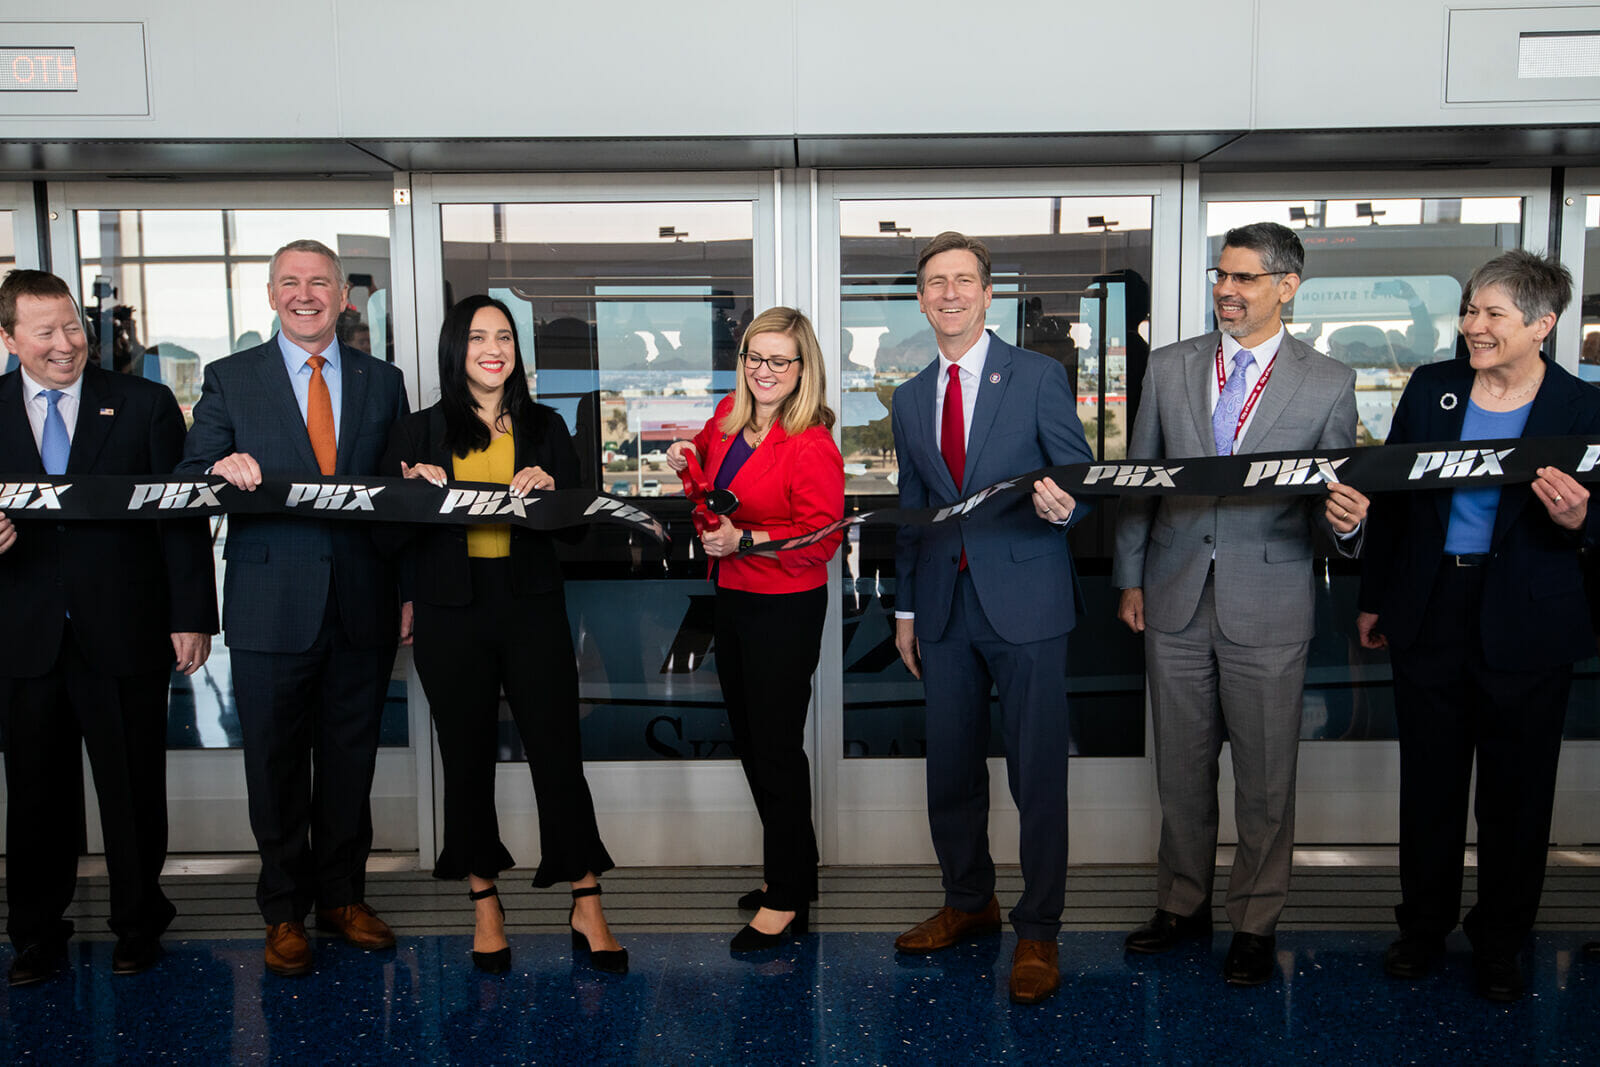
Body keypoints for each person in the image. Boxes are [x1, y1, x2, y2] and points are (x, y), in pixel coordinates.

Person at [1112, 222, 1369, 986]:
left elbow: (1331, 503)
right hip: (1174, 594)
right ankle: (1182, 904)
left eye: (1244, 278)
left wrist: (1346, 525)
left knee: (1265, 779)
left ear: (1287, 286)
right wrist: (1130, 577)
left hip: (1270, 599)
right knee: (1181, 771)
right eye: (1220, 275)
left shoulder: (1328, 382)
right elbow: (1140, 480)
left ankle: (1255, 921)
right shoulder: (1170, 366)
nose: (1226, 289)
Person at [1356, 250, 1600, 1002]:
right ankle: (1422, 929)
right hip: (1432, 606)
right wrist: (1375, 597)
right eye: (1470, 310)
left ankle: (1501, 940)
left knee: (1517, 793)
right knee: (1430, 783)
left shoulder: (1583, 406)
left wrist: (1581, 520)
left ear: (1542, 324)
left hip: (1528, 615)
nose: (1473, 326)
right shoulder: (1432, 388)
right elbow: (1393, 499)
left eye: (1493, 314)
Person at [177, 239, 409, 977]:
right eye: (289, 282)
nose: (304, 294)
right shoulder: (231, 377)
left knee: (350, 760)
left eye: (318, 282)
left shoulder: (382, 380)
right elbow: (189, 478)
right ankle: (283, 911)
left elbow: (399, 494)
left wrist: (406, 588)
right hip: (270, 601)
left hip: (362, 600)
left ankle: (343, 897)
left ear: (343, 296)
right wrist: (219, 468)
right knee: (274, 764)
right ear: (271, 294)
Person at [380, 294, 626, 974]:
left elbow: (580, 530)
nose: (493, 348)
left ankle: (587, 900)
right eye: (478, 337)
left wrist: (551, 494)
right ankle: (485, 903)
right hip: (449, 610)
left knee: (558, 753)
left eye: (505, 337)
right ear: (455, 349)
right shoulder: (416, 432)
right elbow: (386, 538)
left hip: (531, 607)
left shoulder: (547, 427)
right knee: (466, 759)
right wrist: (412, 494)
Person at [888, 232, 1093, 1005]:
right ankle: (969, 899)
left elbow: (1078, 477)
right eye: (936, 282)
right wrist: (906, 607)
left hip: (1028, 600)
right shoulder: (910, 397)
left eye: (963, 280)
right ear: (921, 299)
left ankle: (1038, 928)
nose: (950, 293)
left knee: (1037, 772)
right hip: (943, 607)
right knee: (950, 767)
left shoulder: (1037, 376)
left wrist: (1067, 507)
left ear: (987, 292)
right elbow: (914, 510)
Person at [0, 269, 217, 984]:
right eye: (45, 332)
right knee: (35, 794)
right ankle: (36, 932)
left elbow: (180, 516)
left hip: (125, 628)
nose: (66, 343)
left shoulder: (143, 404)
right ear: (9, 339)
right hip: (23, 635)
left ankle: (138, 922)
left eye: (72, 326)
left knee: (132, 788)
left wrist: (191, 616)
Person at [665, 306, 844, 952]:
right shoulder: (727, 417)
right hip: (735, 597)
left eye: (779, 360)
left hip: (785, 606)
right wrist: (686, 459)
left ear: (802, 368)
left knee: (775, 747)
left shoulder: (812, 443)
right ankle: (792, 869)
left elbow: (823, 536)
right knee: (751, 739)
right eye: (754, 357)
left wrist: (747, 539)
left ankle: (786, 895)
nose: (764, 370)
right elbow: (706, 479)